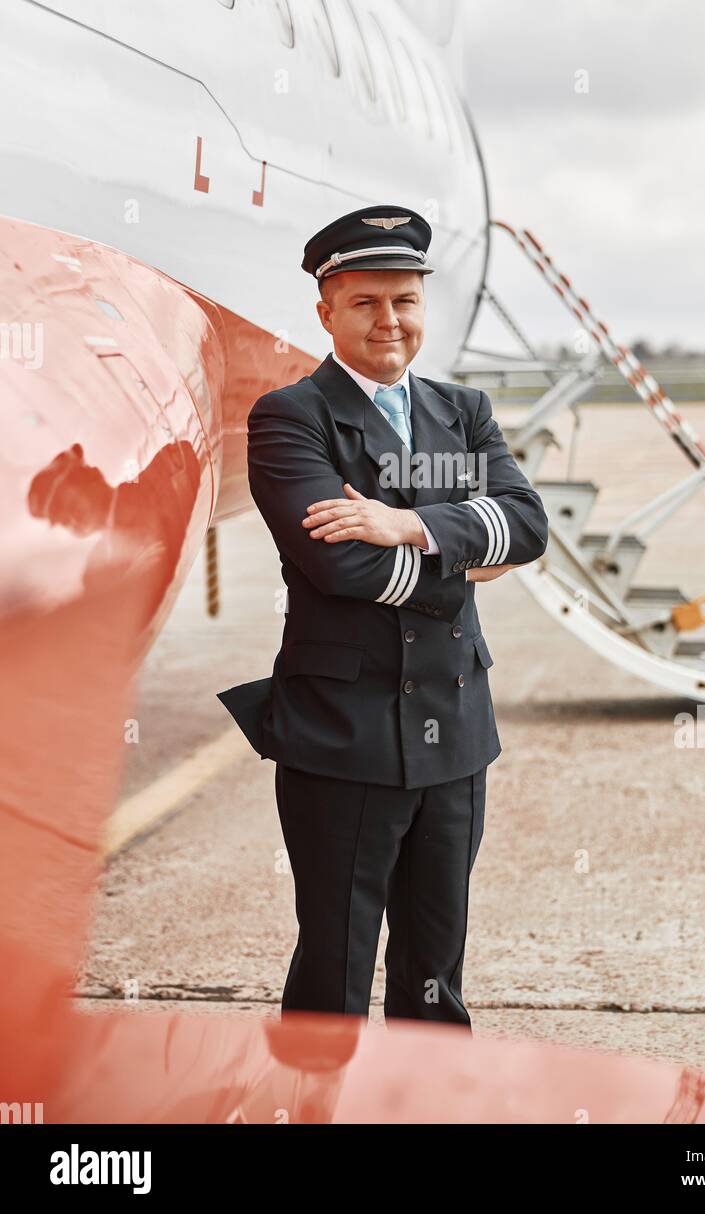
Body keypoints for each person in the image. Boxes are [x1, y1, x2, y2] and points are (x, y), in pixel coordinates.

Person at [217, 204, 548, 1029]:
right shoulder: (292, 417)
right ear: (325, 310)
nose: (389, 321)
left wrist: (412, 524)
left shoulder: (461, 411)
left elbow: (531, 525)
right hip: (344, 736)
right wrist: (469, 558)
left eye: (404, 300)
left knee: (436, 970)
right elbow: (339, 562)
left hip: (455, 730)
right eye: (365, 302)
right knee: (334, 966)